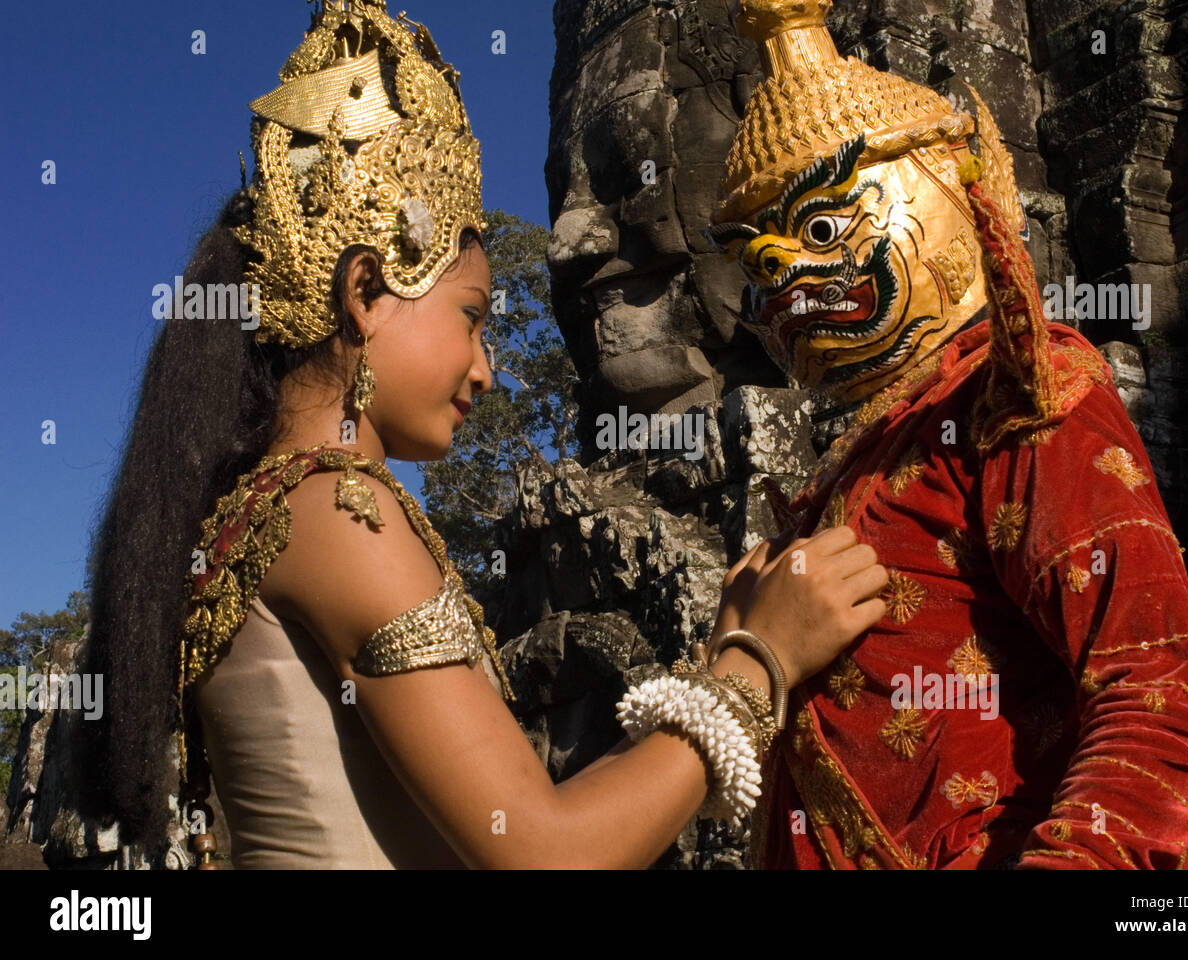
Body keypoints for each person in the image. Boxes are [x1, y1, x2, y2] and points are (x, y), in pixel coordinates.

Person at [79, 0, 888, 870]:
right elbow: (547, 853)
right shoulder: (341, 512)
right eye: (470, 317)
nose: (486, 368)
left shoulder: (265, 507)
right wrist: (761, 664)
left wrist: (720, 651)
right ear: (365, 294)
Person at [704, 0, 1188, 869]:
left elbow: (1161, 696)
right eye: (756, 258)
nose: (781, 282)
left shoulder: (1023, 394)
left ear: (943, 186)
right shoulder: (857, 463)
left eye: (824, 230)